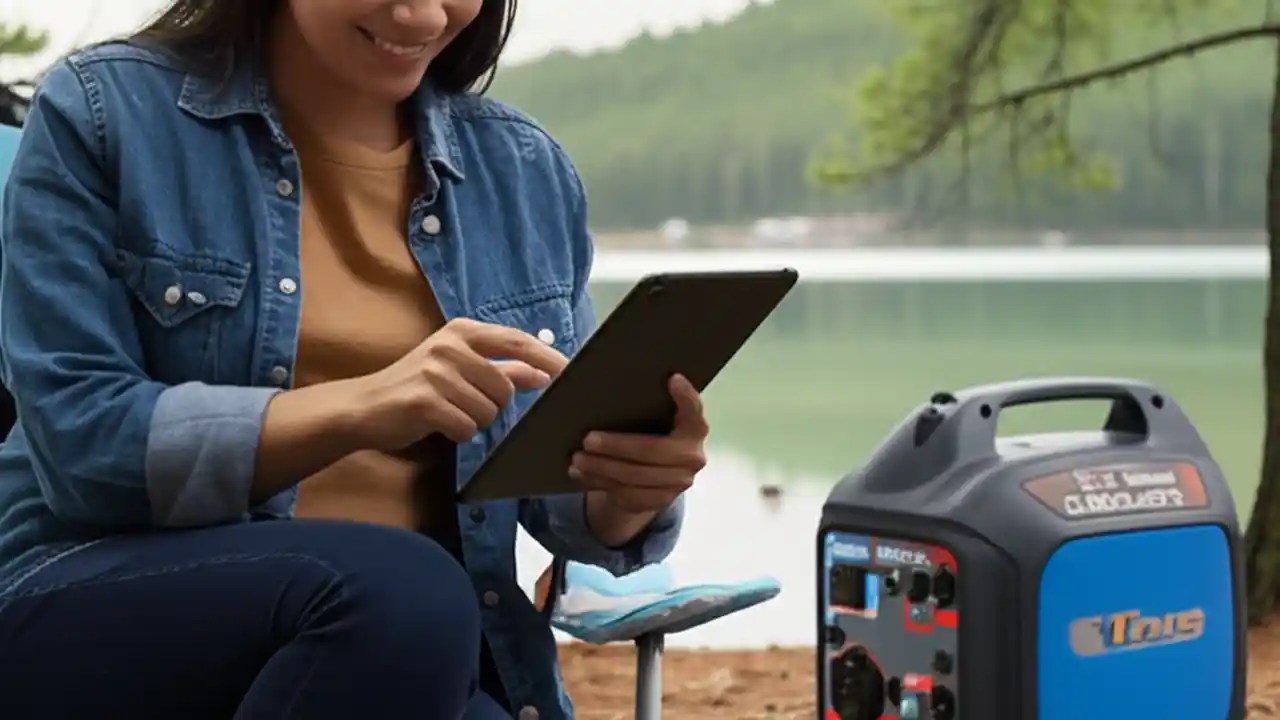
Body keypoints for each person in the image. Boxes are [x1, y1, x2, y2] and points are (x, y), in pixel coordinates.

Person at [0, 1, 710, 718]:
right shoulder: (102, 112)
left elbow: (549, 496)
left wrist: (625, 494)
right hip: (91, 603)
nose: (422, 13)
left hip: (409, 655)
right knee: (404, 591)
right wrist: (363, 406)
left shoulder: (524, 172)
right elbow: (83, 447)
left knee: (426, 633)